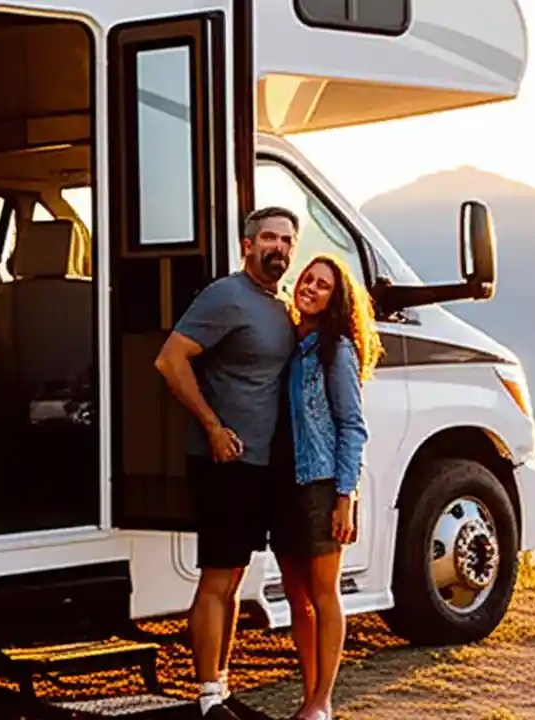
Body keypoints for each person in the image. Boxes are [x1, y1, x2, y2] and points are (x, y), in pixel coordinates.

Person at [153, 207, 299, 719]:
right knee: (217, 578)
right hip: (224, 462)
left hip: (261, 464)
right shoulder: (225, 296)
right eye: (267, 239)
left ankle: (222, 687)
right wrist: (213, 427)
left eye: (286, 240)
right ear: (246, 244)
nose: (277, 248)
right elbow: (169, 360)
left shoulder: (279, 307)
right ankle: (206, 697)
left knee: (235, 578)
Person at [269, 253, 384, 720]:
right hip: (281, 484)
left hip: (319, 484)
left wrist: (345, 496)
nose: (310, 288)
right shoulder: (285, 341)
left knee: (324, 594)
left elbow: (352, 426)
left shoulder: (336, 350)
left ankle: (322, 702)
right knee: (296, 599)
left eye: (323, 285)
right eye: (308, 279)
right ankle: (308, 695)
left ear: (336, 300)